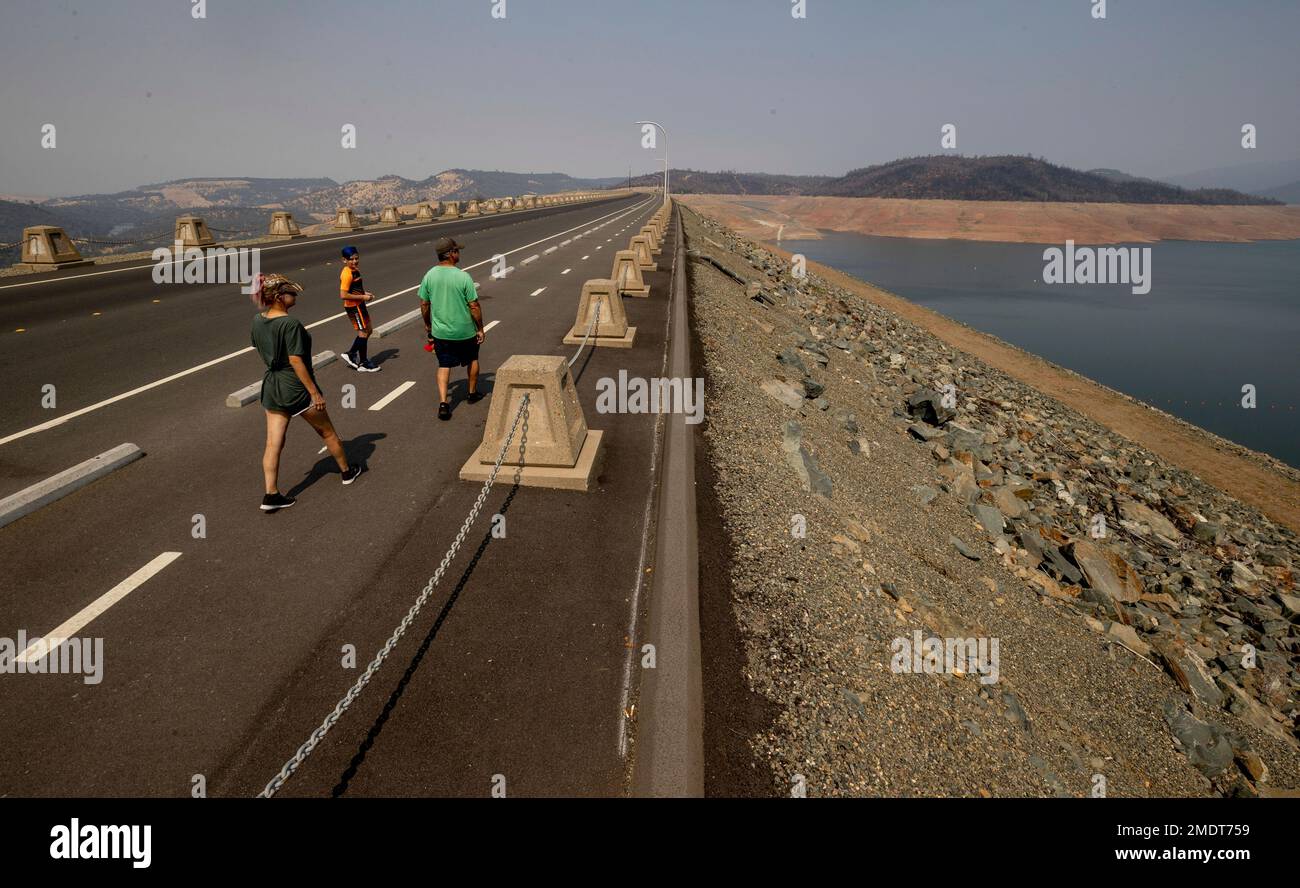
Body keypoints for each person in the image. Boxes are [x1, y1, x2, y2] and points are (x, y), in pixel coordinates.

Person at [250, 273, 364, 511]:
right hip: (295, 386)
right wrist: (314, 392)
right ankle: (347, 471)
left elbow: (261, 348)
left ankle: (271, 494)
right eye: (291, 292)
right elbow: (296, 360)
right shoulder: (290, 324)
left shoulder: (257, 321)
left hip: (272, 386)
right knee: (327, 433)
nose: (295, 295)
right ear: (280, 298)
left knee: (273, 443)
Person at [418, 237, 486, 421]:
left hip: (441, 332)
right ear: (451, 254)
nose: (459, 253)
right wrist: (480, 328)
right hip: (465, 331)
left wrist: (428, 325)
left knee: (444, 365)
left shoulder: (429, 275)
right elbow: (474, 306)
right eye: (457, 250)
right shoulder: (463, 276)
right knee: (472, 359)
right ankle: (472, 393)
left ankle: (443, 403)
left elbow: (424, 304)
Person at [338, 245, 380, 372]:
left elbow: (354, 289)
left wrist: (365, 293)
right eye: (351, 259)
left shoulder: (355, 270)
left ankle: (362, 360)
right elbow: (343, 295)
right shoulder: (347, 274)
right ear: (344, 260)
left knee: (369, 330)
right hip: (354, 307)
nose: (354, 261)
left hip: (360, 304)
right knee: (363, 333)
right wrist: (363, 296)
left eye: (356, 258)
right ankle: (353, 355)